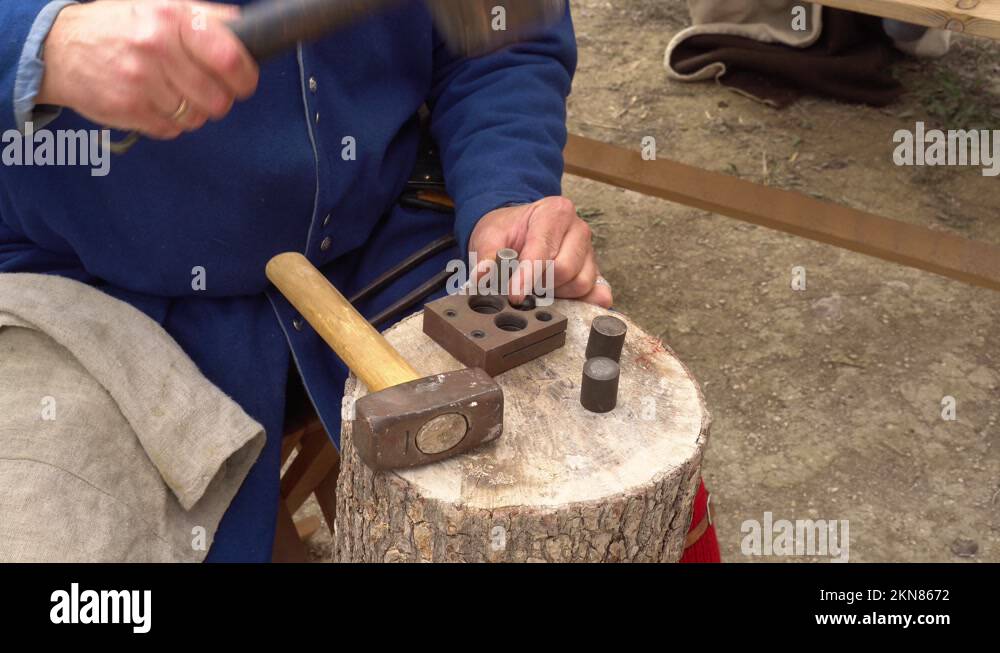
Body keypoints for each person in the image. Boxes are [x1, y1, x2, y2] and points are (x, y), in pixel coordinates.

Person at [0, 0, 716, 562]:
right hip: (79, 277)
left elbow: (503, 39)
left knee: (594, 486)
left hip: (375, 229)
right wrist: (40, 44)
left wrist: (506, 192)